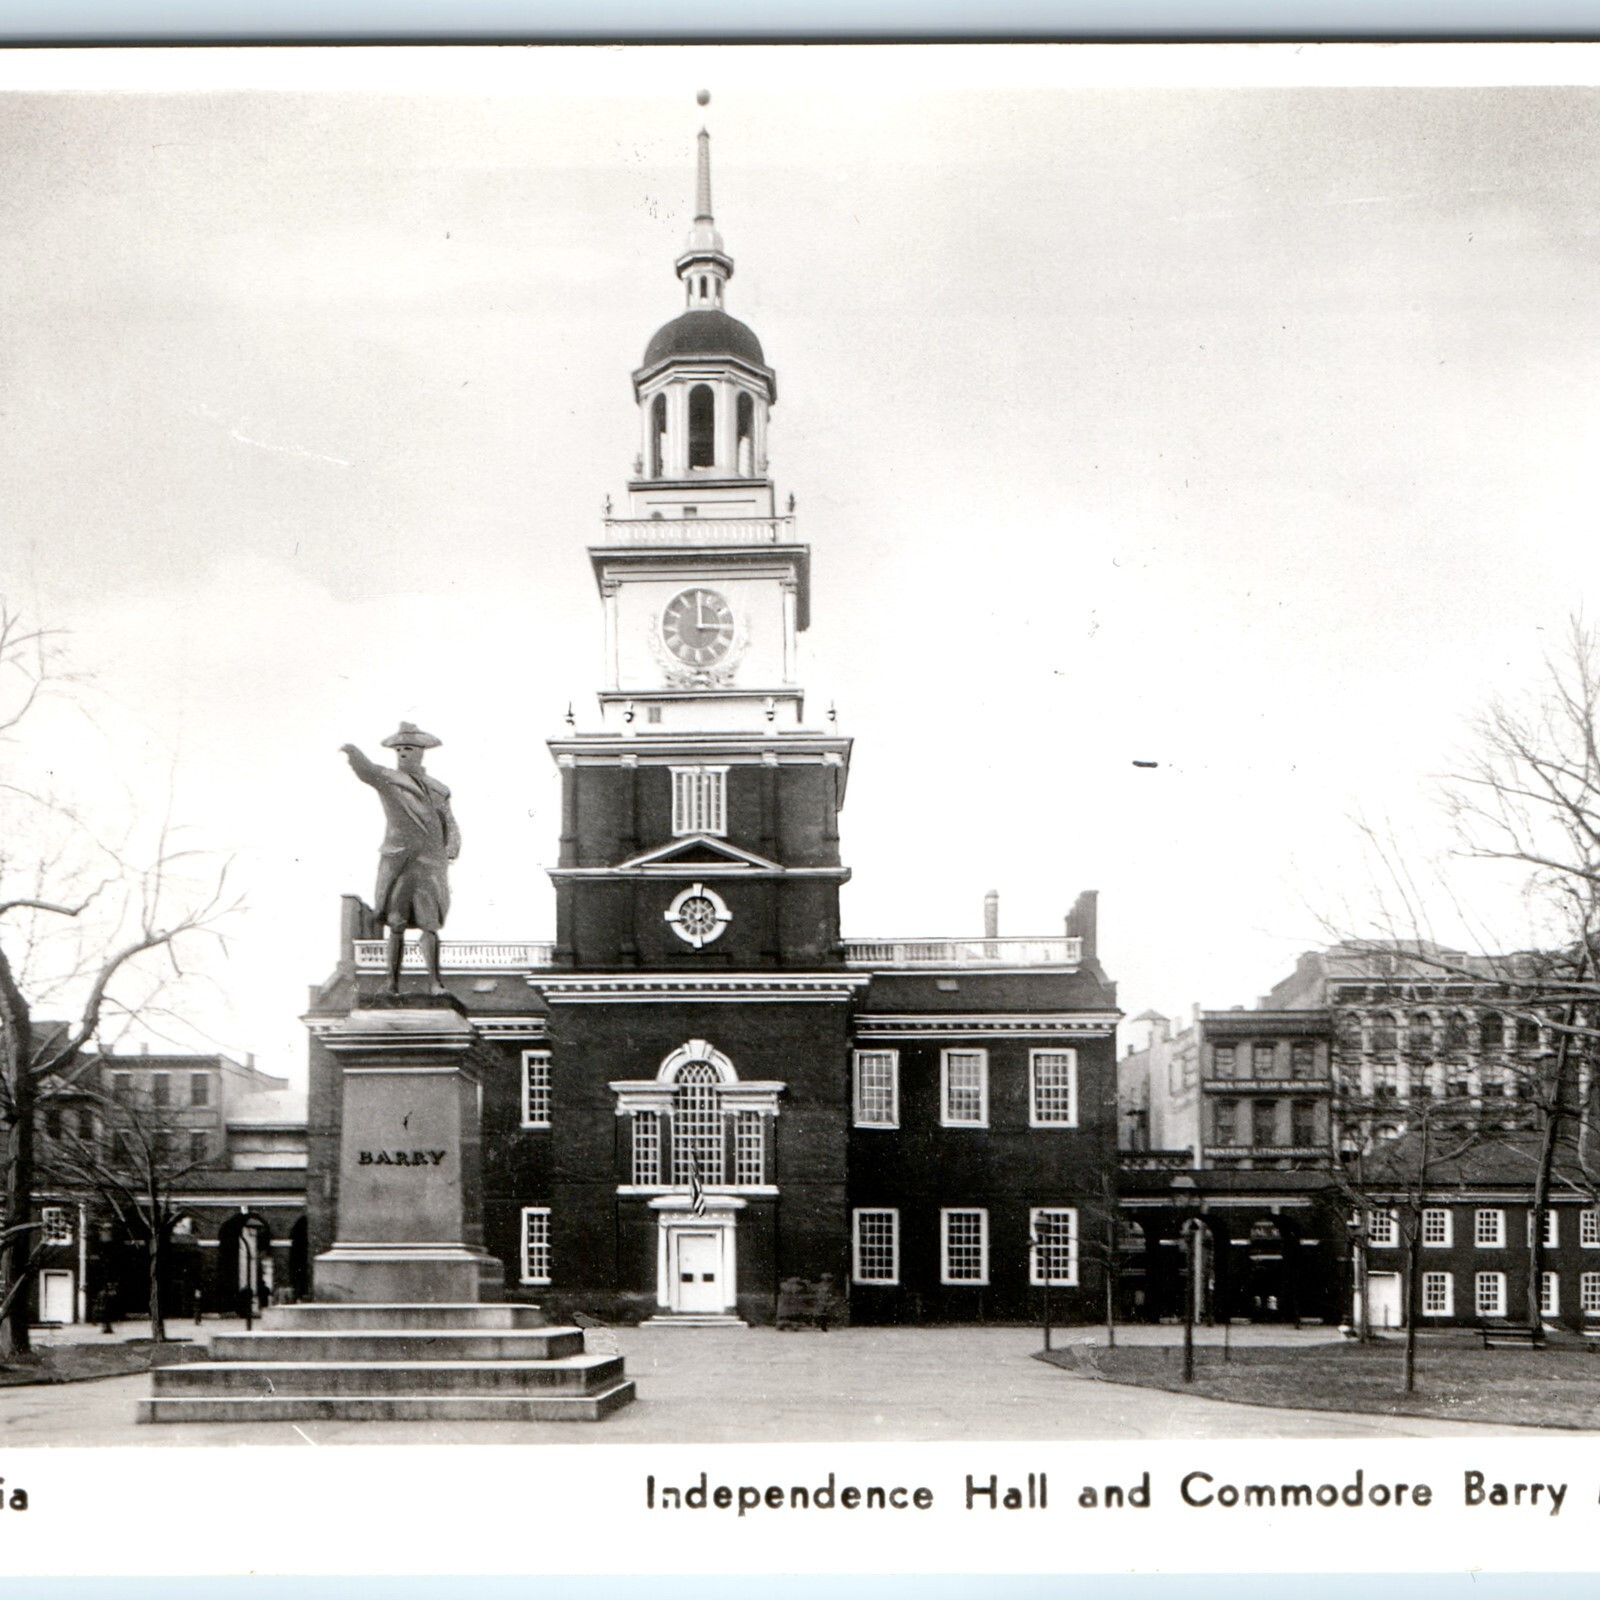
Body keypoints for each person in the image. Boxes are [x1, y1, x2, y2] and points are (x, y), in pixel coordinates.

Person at [341, 723, 461, 994]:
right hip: (399, 860)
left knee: (429, 923)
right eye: (399, 749)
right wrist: (353, 754)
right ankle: (391, 983)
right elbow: (367, 771)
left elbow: (448, 821)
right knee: (396, 921)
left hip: (429, 863)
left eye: (409, 749)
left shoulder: (438, 789)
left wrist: (450, 849)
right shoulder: (389, 779)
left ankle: (434, 983)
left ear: (420, 752)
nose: (403, 754)